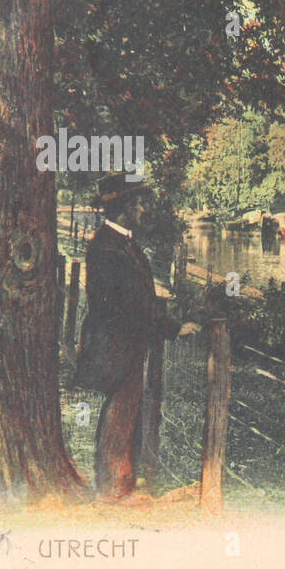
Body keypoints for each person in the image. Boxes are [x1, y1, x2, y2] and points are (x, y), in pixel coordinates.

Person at [73, 174, 198, 501]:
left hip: (124, 343)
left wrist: (161, 322)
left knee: (126, 411)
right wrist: (171, 327)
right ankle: (113, 489)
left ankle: (120, 482)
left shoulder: (122, 243)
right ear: (125, 207)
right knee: (120, 413)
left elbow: (136, 301)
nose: (147, 210)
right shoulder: (108, 247)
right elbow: (129, 304)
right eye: (141, 204)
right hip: (116, 344)